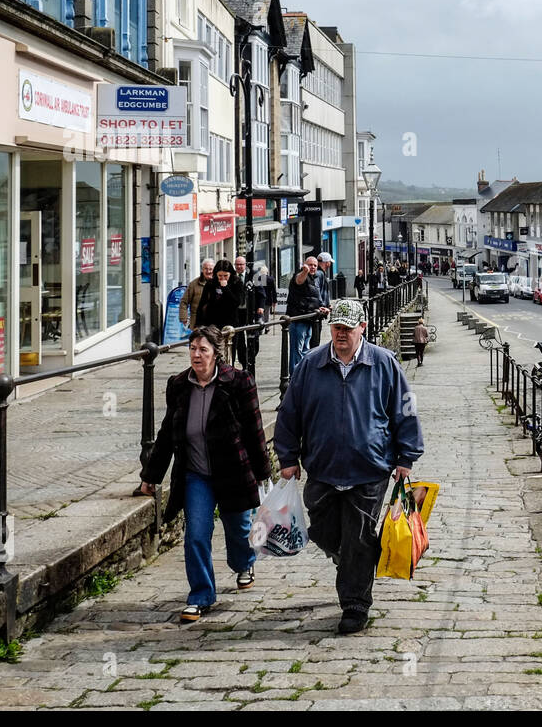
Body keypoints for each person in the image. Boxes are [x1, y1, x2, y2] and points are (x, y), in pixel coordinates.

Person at [274, 299, 425, 635]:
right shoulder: (311, 365)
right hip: (323, 468)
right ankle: (347, 557)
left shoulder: (383, 364)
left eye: (347, 328)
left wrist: (406, 457)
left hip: (369, 468)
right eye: (336, 327)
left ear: (362, 328)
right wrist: (287, 458)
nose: (340, 334)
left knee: (359, 537)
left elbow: (405, 410)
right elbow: (289, 413)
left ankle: (355, 606)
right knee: (323, 531)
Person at [139, 326, 271, 621]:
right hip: (196, 474)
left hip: (232, 470)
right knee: (196, 535)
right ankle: (201, 594)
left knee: (238, 532)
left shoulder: (238, 382)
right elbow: (166, 433)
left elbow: (254, 429)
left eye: (203, 350)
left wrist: (263, 472)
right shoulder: (178, 385)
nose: (196, 355)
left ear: (216, 354)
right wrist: (152, 475)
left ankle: (244, 563)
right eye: (193, 349)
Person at [287, 256, 329, 373]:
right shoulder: (301, 276)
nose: (313, 267)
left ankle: (302, 375)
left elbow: (311, 299)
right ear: (305, 265)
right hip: (299, 320)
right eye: (310, 265)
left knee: (305, 350)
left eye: (315, 265)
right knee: (297, 351)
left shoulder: (313, 279)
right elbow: (299, 280)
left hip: (308, 319)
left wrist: (319, 308)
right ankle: (294, 377)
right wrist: (304, 271)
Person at [232, 256, 265, 381]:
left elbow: (261, 293)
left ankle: (251, 356)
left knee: (253, 337)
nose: (239, 267)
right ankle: (244, 362)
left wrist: (261, 308)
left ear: (245, 265)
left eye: (241, 264)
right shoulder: (232, 278)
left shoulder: (255, 276)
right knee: (239, 339)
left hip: (251, 311)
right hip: (238, 313)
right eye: (237, 264)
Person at [195, 258, 245, 334]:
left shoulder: (236, 282)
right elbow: (202, 302)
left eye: (225, 275)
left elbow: (237, 302)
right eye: (220, 275)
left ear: (230, 274)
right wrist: (198, 323)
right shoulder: (211, 283)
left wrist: (225, 288)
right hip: (212, 320)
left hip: (230, 321)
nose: (223, 278)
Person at [178, 258, 215, 330]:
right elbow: (184, 302)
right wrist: (184, 317)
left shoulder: (218, 283)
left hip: (214, 321)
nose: (208, 271)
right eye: (206, 269)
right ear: (202, 269)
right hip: (197, 322)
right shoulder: (194, 284)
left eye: (210, 269)